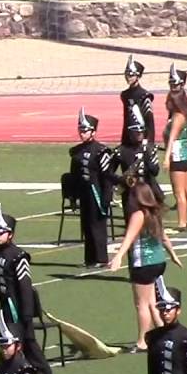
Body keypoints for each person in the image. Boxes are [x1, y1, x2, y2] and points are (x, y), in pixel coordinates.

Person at [0, 203, 56, 374]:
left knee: (29, 343)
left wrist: (27, 316)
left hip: (20, 308)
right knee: (5, 344)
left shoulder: (18, 257)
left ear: (11, 234)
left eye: (1, 232)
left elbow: (25, 288)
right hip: (5, 309)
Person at [107, 182, 183, 352]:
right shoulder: (155, 213)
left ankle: (142, 341)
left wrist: (118, 257)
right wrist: (173, 255)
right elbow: (163, 237)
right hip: (158, 262)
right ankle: (163, 334)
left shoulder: (138, 215)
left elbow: (129, 237)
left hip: (143, 264)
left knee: (141, 304)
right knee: (152, 303)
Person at [69, 108, 117, 267]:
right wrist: (73, 197)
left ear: (93, 132)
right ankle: (89, 258)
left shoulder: (101, 151)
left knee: (98, 226)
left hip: (97, 192)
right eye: (80, 129)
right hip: (84, 193)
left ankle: (101, 258)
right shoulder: (76, 152)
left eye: (85, 130)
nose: (82, 133)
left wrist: (107, 196)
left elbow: (107, 176)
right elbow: (74, 176)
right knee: (87, 225)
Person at [163, 63, 187, 230]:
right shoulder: (186, 113)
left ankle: (182, 222)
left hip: (178, 155)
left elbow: (172, 138)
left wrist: (166, 158)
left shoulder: (177, 116)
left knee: (180, 193)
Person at [116, 105, 163, 213]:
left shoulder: (149, 149)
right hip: (129, 192)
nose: (139, 134)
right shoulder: (121, 151)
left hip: (148, 189)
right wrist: (122, 180)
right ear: (130, 132)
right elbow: (109, 173)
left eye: (141, 131)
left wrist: (146, 155)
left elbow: (155, 171)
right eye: (136, 131)